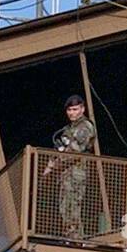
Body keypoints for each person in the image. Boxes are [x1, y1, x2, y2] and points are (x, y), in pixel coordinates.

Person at [46, 94, 97, 238]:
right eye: (70, 110)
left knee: (72, 206)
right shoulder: (69, 128)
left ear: (82, 109)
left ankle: (76, 238)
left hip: (76, 173)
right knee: (65, 207)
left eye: (75, 109)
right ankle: (70, 236)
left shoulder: (85, 126)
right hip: (67, 174)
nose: (72, 113)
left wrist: (53, 165)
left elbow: (75, 150)